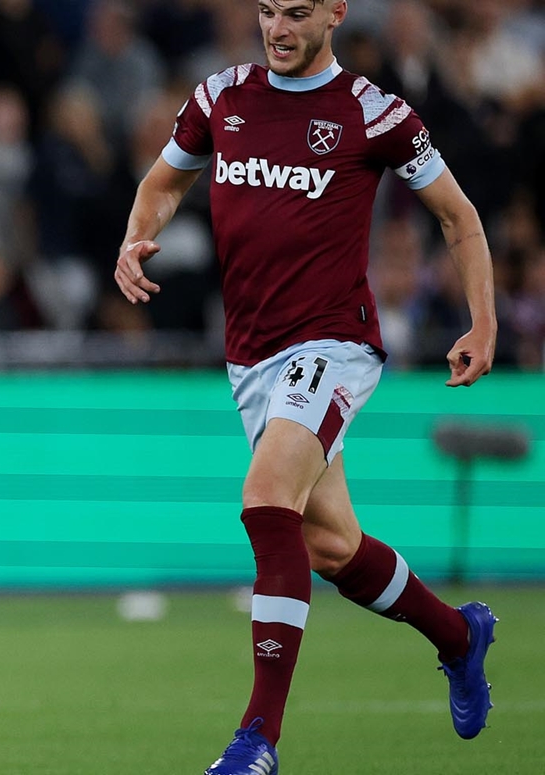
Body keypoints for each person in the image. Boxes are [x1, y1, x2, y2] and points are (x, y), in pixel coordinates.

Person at [113, 2, 498, 773]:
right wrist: (134, 235)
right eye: (265, 11)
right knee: (329, 544)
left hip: (334, 342)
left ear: (334, 13)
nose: (276, 28)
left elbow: (459, 218)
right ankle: (460, 635)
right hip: (251, 358)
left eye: (295, 12)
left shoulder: (373, 112)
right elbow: (162, 183)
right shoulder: (222, 96)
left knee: (265, 499)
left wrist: (482, 322)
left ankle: (258, 737)